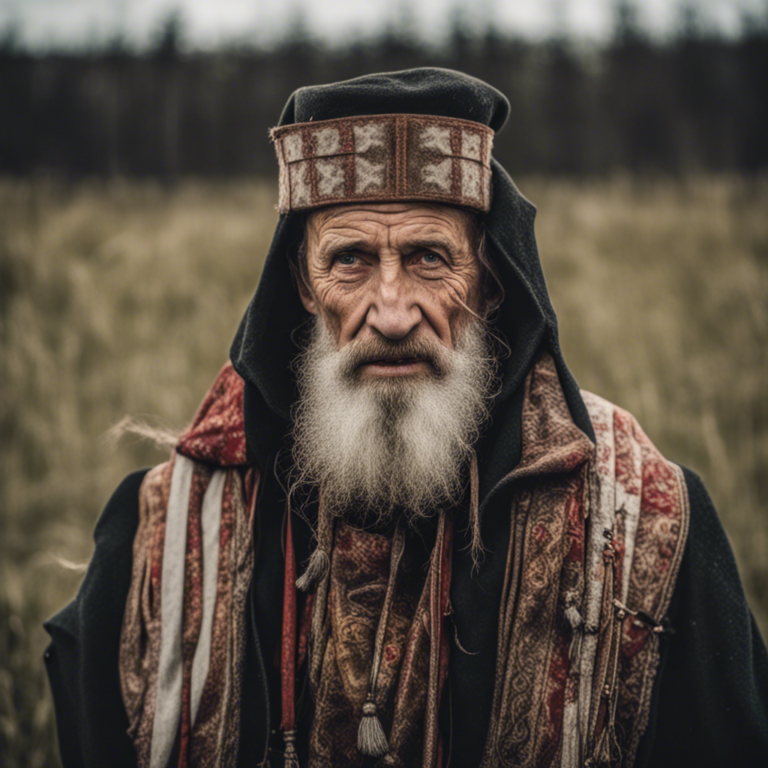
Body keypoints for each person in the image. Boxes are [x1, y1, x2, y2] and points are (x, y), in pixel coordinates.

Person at [44, 68, 768, 768]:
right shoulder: (160, 537)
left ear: (488, 280)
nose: (390, 313)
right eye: (351, 260)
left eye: (428, 258)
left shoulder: (652, 522)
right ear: (302, 283)